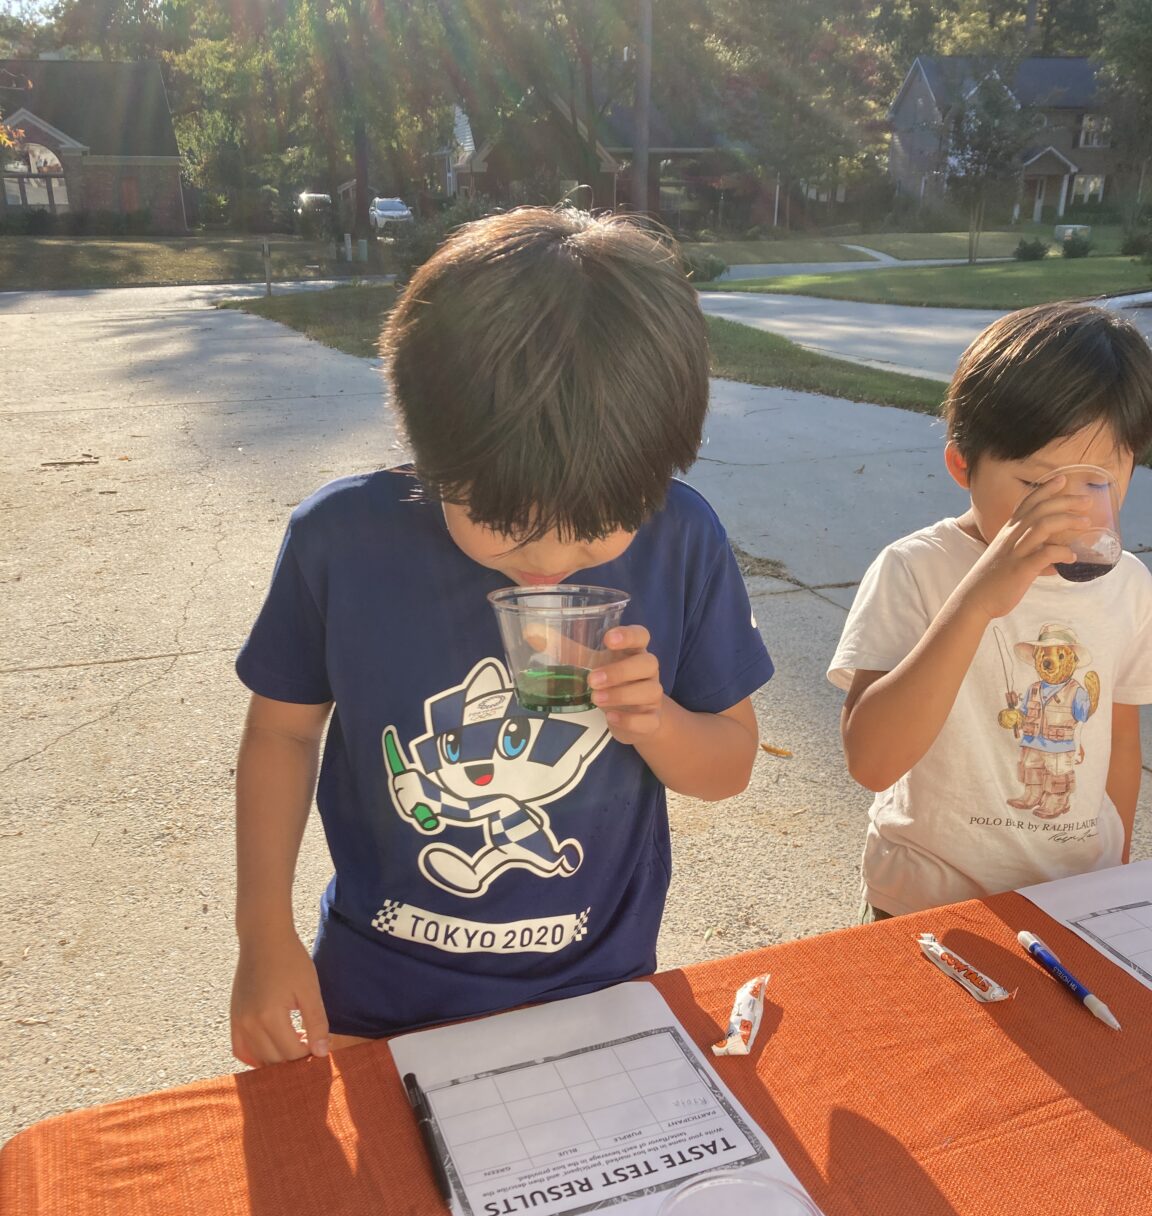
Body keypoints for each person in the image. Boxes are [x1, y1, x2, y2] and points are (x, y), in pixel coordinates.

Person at [231, 207, 774, 1065]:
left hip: (598, 987)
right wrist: (262, 938)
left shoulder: (682, 541)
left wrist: (657, 721)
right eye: (506, 526)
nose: (551, 564)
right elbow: (284, 730)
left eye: (599, 528)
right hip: (375, 988)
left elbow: (730, 766)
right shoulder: (343, 539)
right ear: (431, 449)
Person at [829, 301, 1152, 919]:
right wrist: (977, 601)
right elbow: (871, 760)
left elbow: (1119, 742)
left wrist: (1114, 878)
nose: (1071, 511)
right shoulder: (916, 570)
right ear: (962, 465)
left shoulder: (1128, 586)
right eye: (1036, 487)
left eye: (1099, 484)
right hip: (928, 900)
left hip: (1074, 893)